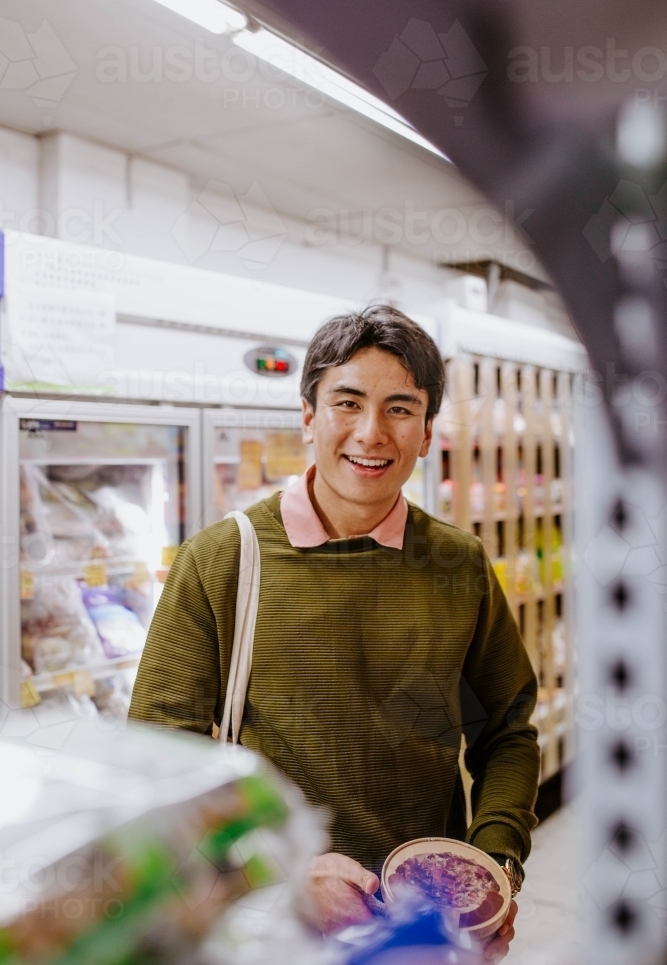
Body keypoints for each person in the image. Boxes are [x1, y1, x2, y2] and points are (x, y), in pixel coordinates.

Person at [129, 305, 539, 960]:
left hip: (422, 929)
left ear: (428, 430)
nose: (371, 434)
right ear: (308, 415)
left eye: (399, 409)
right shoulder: (224, 559)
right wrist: (283, 868)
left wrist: (492, 864)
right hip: (270, 925)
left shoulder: (458, 563)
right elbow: (157, 755)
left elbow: (505, 729)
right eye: (346, 403)